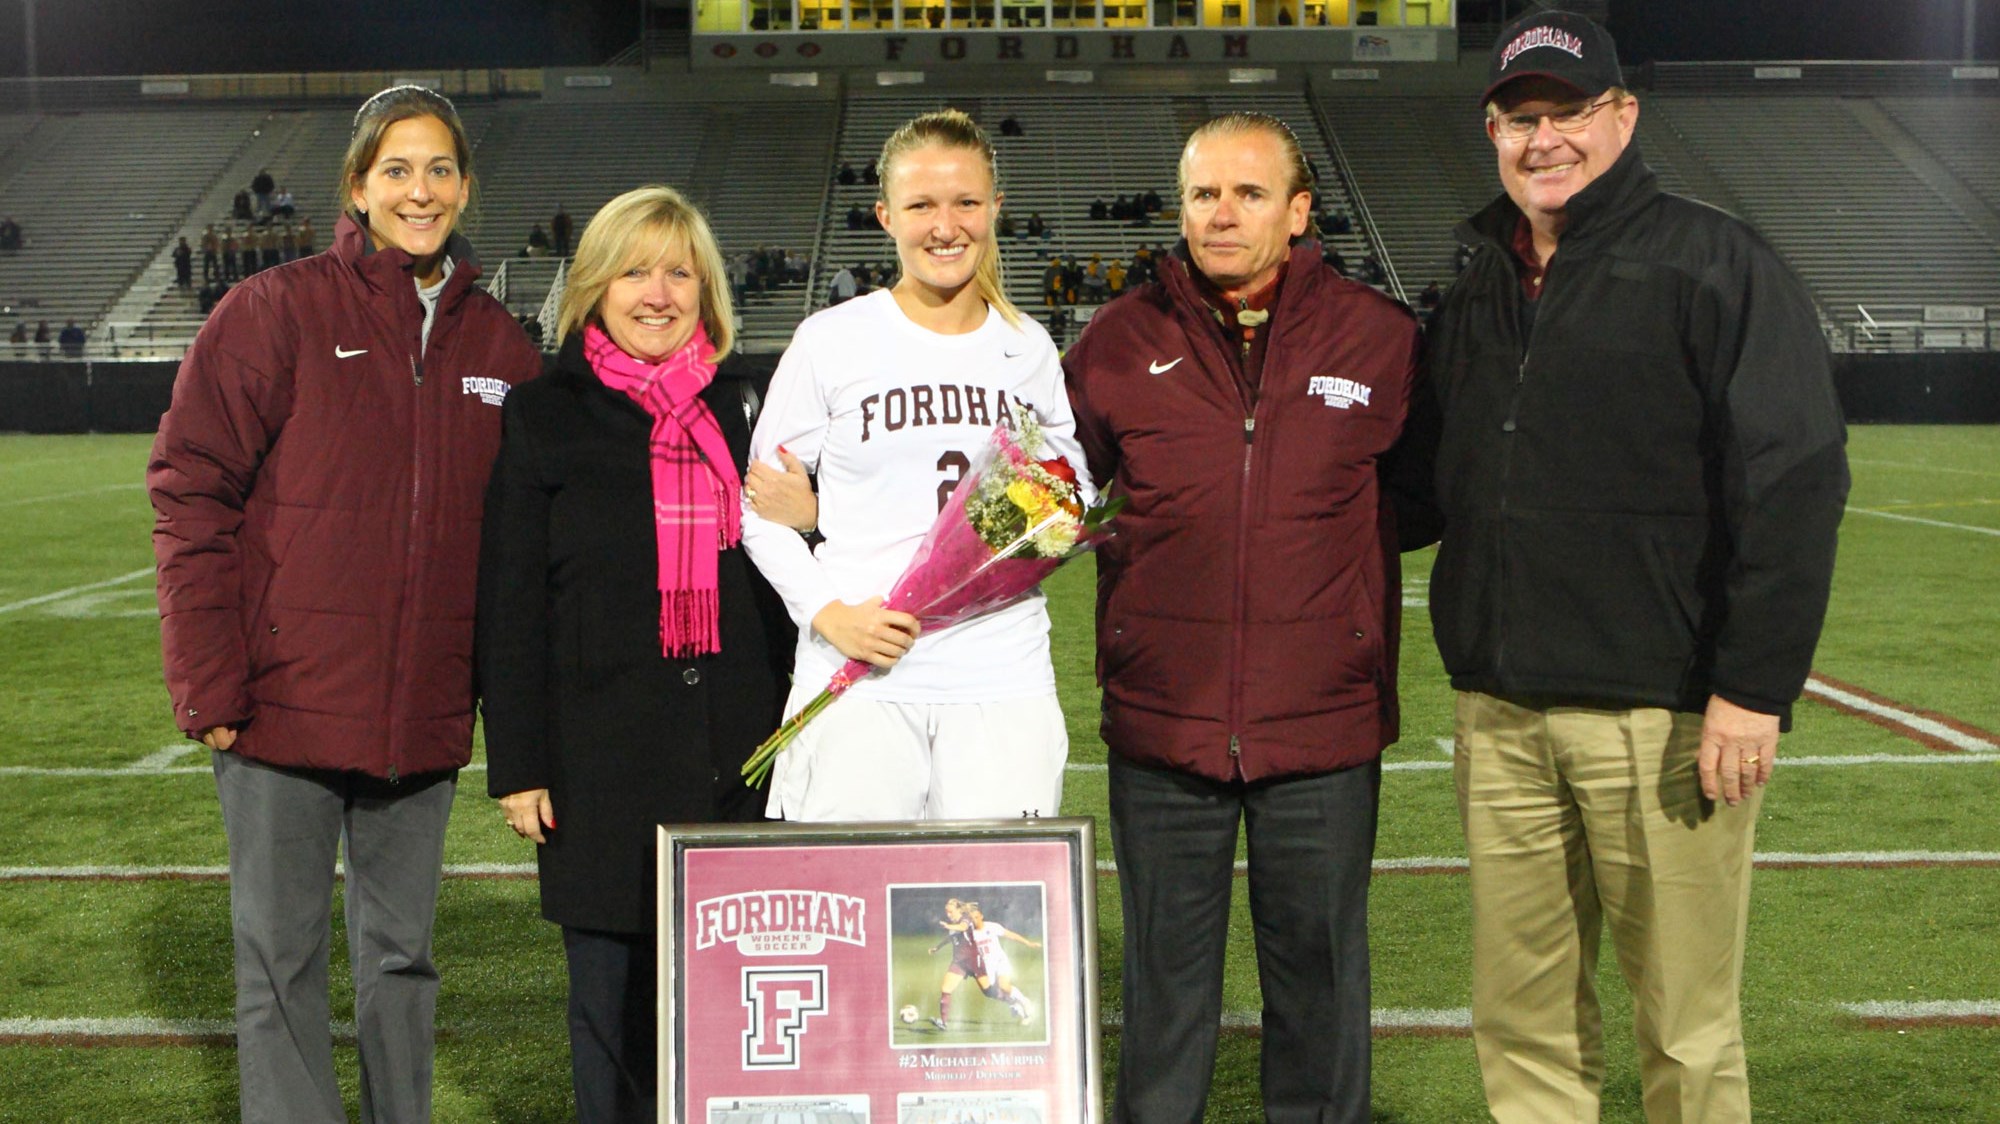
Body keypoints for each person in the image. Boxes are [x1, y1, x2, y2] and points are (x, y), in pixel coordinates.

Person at [1425, 14, 1849, 1124]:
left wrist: (1751, 689)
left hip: (1661, 723)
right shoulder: (1477, 283)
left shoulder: (1715, 264)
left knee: (1684, 1026)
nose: (1543, 139)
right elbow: (1421, 486)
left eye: (1569, 113)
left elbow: (1794, 482)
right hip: (1501, 714)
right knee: (1521, 1023)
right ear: (1491, 130)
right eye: (1522, 118)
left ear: (1622, 115)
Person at [147, 85, 539, 1124]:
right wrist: (209, 678)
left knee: (403, 956)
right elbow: (190, 487)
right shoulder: (275, 309)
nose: (421, 190)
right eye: (398, 169)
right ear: (358, 185)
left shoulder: (500, 344)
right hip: (282, 703)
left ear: (465, 184)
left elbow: (528, 545)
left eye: (441, 168)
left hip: (421, 707)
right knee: (277, 961)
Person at [1062, 111, 1432, 1124]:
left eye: (1247, 192)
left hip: (1319, 725)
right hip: (1161, 724)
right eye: (1200, 194)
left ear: (1298, 209)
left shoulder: (1383, 339)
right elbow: (1049, 500)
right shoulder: (1111, 342)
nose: (1219, 214)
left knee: (1317, 996)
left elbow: (1420, 500)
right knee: (1162, 1002)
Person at [479, 185, 804, 1124]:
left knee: (734, 1014)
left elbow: (800, 575)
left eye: (679, 271)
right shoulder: (544, 415)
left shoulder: (751, 404)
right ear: (594, 286)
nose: (658, 292)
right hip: (599, 765)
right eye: (634, 270)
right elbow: (511, 606)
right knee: (613, 1021)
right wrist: (521, 767)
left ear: (707, 289)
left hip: (742, 757)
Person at [739, 109, 1087, 823]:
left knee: (991, 910)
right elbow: (757, 506)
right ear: (885, 216)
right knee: (851, 908)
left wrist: (1053, 519)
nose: (945, 225)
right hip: (860, 671)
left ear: (995, 208)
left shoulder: (1028, 347)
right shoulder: (831, 340)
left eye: (965, 202)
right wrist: (830, 616)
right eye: (921, 205)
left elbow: (1066, 501)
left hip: (1000, 672)